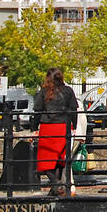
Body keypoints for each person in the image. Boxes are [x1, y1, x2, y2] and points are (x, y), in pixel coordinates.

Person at [33, 67, 78, 197]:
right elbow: (74, 109)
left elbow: (37, 111)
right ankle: (55, 188)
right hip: (63, 127)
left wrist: (34, 128)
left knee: (45, 162)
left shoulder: (44, 92)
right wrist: (73, 126)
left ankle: (56, 184)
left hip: (48, 128)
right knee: (59, 160)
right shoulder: (68, 91)